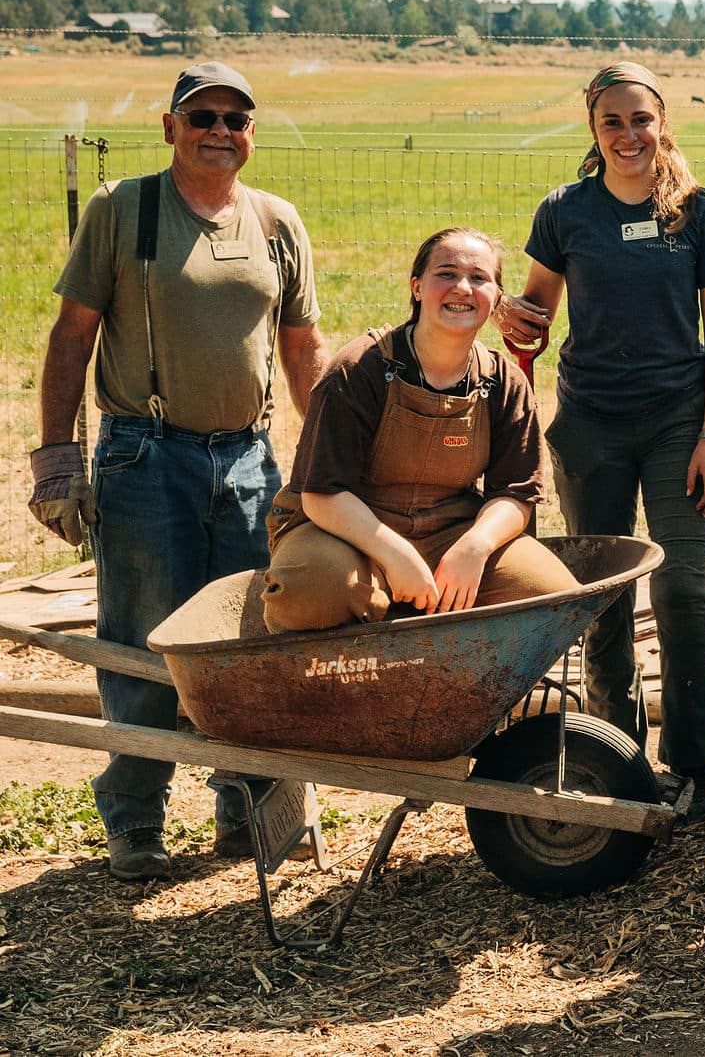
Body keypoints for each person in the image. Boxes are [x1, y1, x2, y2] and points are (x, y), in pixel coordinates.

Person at [33, 61, 329, 880]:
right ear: (170, 128)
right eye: (202, 117)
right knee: (143, 638)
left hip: (248, 460)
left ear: (252, 134)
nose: (219, 131)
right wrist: (56, 462)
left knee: (252, 639)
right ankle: (135, 818)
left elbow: (303, 346)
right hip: (145, 453)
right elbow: (70, 338)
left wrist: (324, 464)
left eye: (236, 119)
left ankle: (248, 808)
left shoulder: (276, 223)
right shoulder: (123, 209)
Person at [497, 62, 705, 820]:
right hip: (591, 424)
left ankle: (695, 768)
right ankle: (620, 761)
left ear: (662, 123)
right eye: (613, 122)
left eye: (642, 119)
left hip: (678, 424)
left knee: (683, 590)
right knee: (603, 598)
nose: (628, 134)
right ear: (594, 129)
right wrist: (510, 315)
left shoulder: (699, 213)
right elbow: (534, 318)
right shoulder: (565, 211)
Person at [262, 229, 578, 631]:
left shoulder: (503, 382)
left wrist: (475, 547)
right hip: (349, 533)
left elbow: (515, 495)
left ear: (497, 296)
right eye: (446, 274)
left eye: (479, 278)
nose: (462, 288)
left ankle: (456, 657)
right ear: (417, 287)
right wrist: (395, 555)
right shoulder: (359, 368)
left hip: (450, 532)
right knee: (307, 593)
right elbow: (322, 495)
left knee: (555, 596)